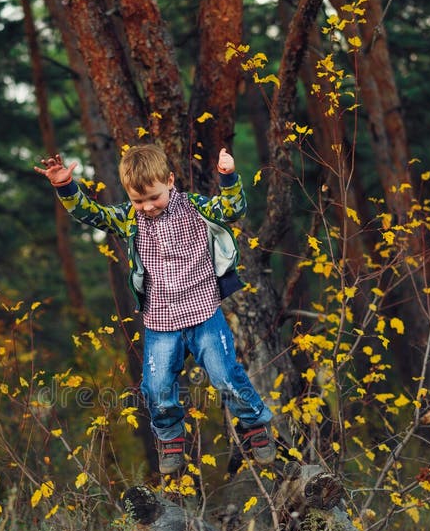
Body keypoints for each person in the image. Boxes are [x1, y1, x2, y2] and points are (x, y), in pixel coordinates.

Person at [35, 144, 275, 475]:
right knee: (157, 386)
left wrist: (228, 176)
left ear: (170, 181)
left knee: (225, 375)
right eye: (138, 200)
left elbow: (233, 209)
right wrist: (65, 185)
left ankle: (255, 425)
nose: (146, 206)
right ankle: (170, 438)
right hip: (161, 320)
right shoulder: (130, 219)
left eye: (154, 197)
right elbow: (91, 213)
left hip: (203, 312)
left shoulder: (195, 207)